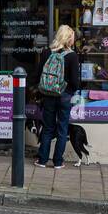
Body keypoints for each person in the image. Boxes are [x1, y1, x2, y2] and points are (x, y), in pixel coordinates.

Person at [35, 24, 80, 169]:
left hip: (48, 95)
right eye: (72, 37)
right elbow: (74, 81)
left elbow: (38, 75)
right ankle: (58, 162)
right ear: (68, 38)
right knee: (62, 129)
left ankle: (42, 160)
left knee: (48, 128)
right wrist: (71, 91)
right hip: (64, 95)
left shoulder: (47, 52)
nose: (74, 40)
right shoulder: (72, 56)